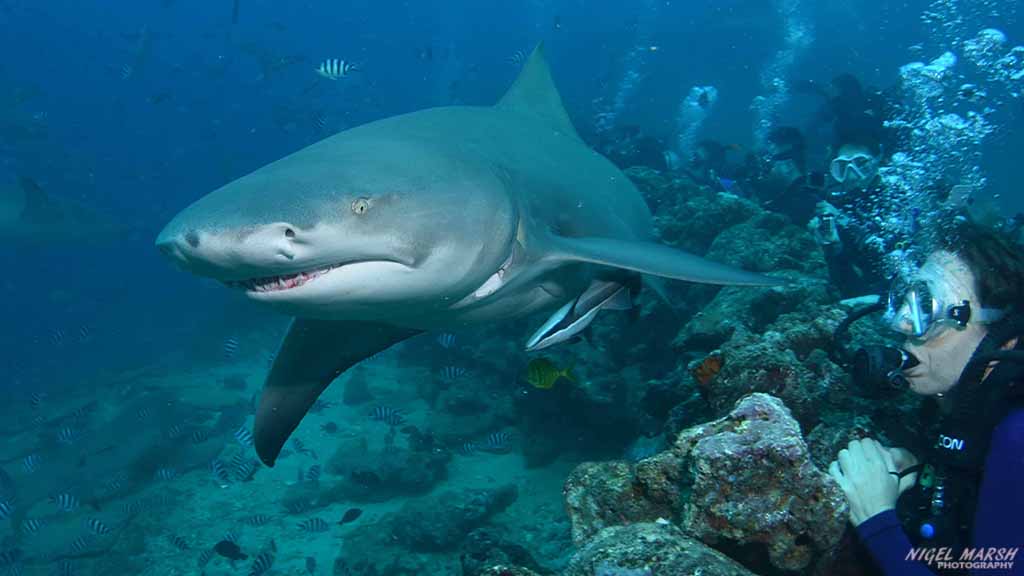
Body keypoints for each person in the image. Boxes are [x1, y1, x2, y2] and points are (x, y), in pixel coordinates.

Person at [829, 217, 1024, 575]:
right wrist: (927, 474)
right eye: (907, 300)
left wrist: (877, 521)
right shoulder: (967, 410)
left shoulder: (1018, 436)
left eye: (928, 310)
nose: (904, 325)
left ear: (1004, 339)